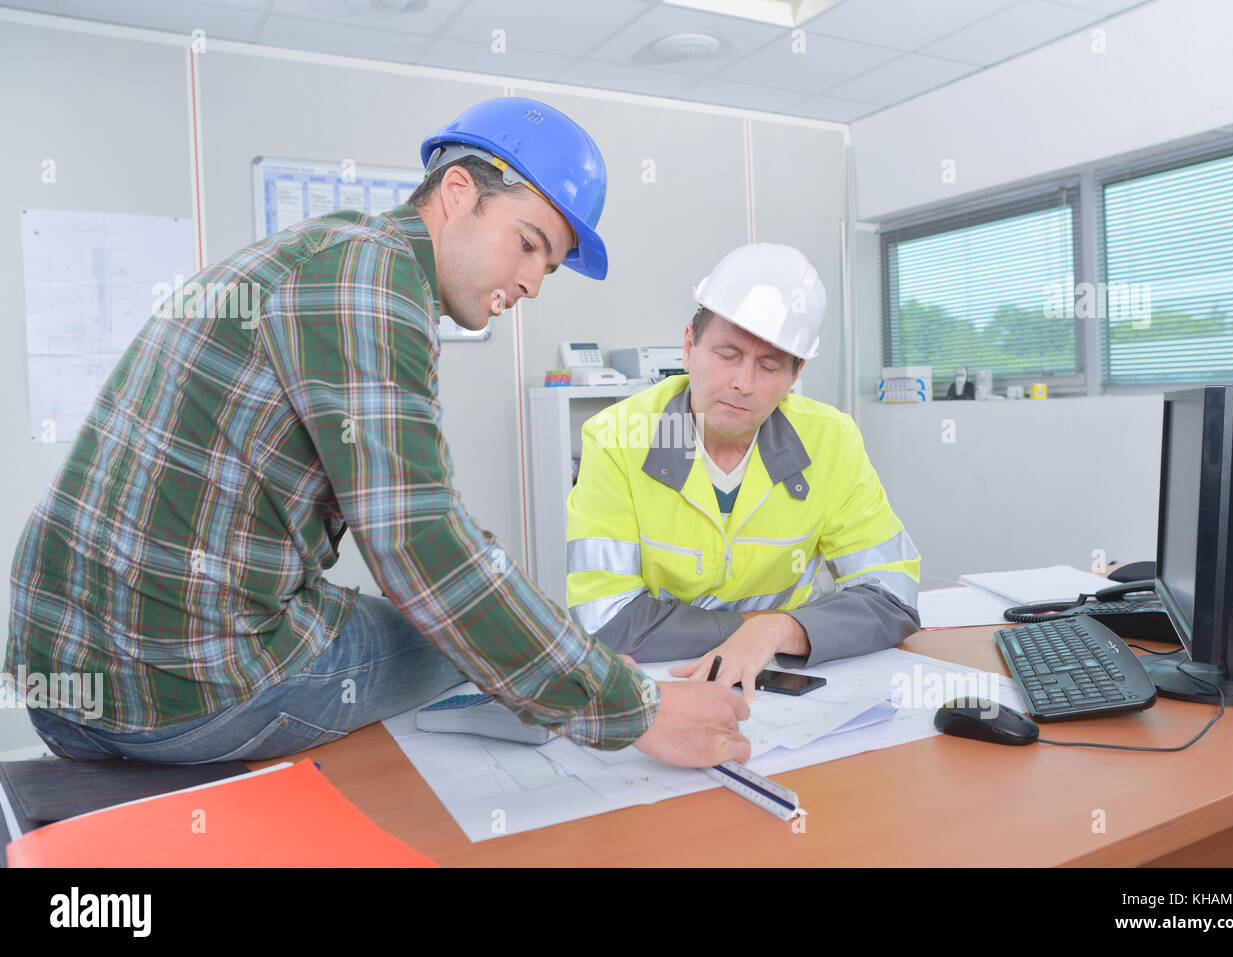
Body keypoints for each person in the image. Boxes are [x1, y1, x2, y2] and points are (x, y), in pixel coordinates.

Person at [6, 97, 748, 768]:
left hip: (61, 683)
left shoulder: (322, 254)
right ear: (458, 193)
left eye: (547, 268)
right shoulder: (373, 279)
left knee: (444, 618)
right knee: (457, 636)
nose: (531, 283)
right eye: (527, 244)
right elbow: (424, 545)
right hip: (186, 695)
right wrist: (634, 707)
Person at [566, 244, 922, 699]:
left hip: (792, 678)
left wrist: (779, 634)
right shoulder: (617, 437)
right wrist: (760, 628)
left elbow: (892, 595)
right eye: (728, 355)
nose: (743, 383)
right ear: (690, 346)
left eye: (769, 365)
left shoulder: (831, 440)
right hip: (666, 686)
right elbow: (606, 619)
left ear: (795, 376)